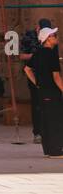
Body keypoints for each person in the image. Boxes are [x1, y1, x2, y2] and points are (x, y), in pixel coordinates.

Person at [25, 26, 63, 157]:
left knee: (45, 120)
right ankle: (56, 150)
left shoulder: (38, 53)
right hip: (52, 91)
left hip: (42, 92)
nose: (56, 37)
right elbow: (56, 76)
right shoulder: (52, 54)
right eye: (53, 36)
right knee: (55, 120)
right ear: (47, 39)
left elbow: (27, 69)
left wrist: (37, 83)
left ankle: (48, 150)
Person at [22, 18, 55, 144]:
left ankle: (49, 132)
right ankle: (38, 133)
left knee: (50, 105)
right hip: (35, 77)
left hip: (48, 77)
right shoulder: (29, 37)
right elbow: (22, 57)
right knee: (37, 105)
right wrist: (38, 55)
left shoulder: (51, 38)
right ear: (38, 29)